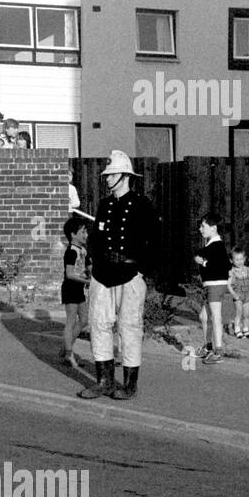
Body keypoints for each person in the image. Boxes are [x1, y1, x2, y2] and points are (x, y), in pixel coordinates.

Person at [79, 150, 159, 400]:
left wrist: (142, 270)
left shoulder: (141, 204)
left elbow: (155, 241)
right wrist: (93, 262)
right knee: (99, 325)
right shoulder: (105, 205)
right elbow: (97, 237)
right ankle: (104, 381)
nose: (106, 179)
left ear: (124, 176)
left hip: (129, 273)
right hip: (103, 273)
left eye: (111, 174)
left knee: (129, 327)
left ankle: (129, 385)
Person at [193, 214, 231, 363]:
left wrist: (202, 263)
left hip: (215, 285)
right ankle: (208, 347)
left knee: (215, 316)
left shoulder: (217, 245)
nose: (200, 229)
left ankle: (218, 352)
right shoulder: (212, 246)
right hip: (211, 285)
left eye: (203, 226)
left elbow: (222, 266)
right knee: (204, 316)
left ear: (214, 228)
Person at [61, 217, 89, 367]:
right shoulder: (71, 252)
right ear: (73, 234)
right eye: (83, 232)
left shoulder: (83, 250)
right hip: (70, 288)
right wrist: (86, 281)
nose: (86, 234)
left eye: (86, 231)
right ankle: (68, 353)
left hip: (79, 289)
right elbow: (70, 274)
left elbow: (88, 268)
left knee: (84, 319)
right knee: (71, 320)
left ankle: (67, 347)